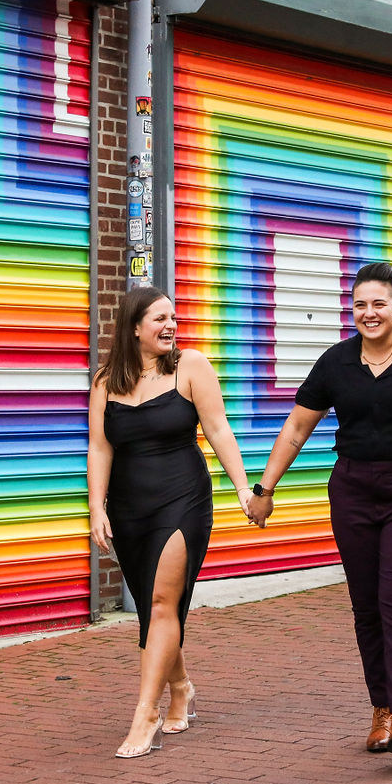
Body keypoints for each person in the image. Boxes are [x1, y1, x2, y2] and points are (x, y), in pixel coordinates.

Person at [247, 262, 392, 761]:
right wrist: (264, 488)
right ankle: (379, 710)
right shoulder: (335, 363)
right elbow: (295, 430)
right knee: (367, 605)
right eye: (360, 305)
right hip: (353, 490)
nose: (369, 313)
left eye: (378, 303)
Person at [88, 285, 257, 759]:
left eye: (173, 318)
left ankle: (146, 715)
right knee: (152, 608)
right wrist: (97, 507)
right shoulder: (106, 381)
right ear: (134, 327)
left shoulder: (191, 367)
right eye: (159, 319)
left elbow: (218, 428)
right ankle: (180, 684)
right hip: (128, 507)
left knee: (163, 602)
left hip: (182, 500)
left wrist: (243, 488)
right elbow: (100, 447)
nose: (170, 326)